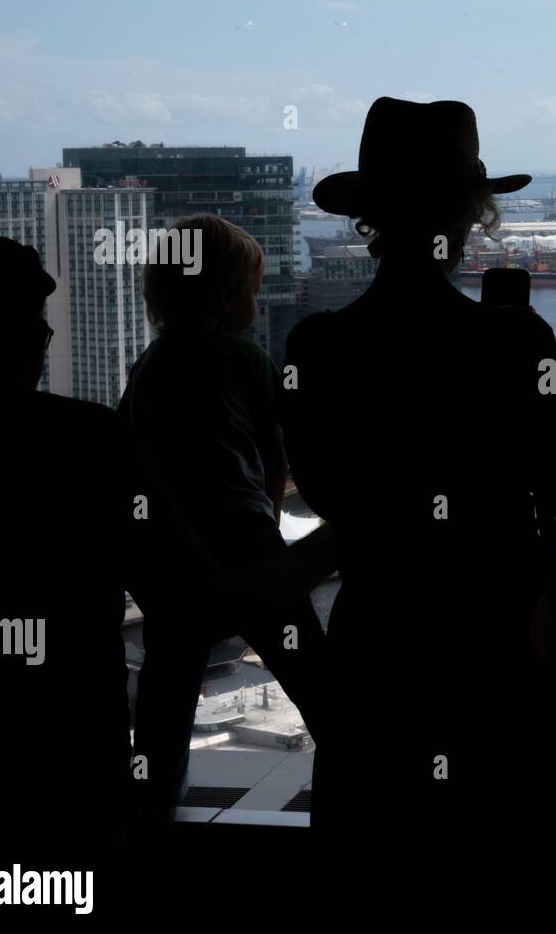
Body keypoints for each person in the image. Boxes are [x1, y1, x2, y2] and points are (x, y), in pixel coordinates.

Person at [0, 236, 336, 914]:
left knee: (167, 682)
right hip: (66, 770)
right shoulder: (81, 443)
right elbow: (198, 586)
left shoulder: (140, 378)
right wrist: (337, 540)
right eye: (32, 320)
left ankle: (155, 807)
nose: (45, 334)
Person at [281, 97, 556, 846]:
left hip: (378, 660)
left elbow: (327, 495)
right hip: (504, 662)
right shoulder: (515, 337)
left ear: (370, 220)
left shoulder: (318, 347)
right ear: (469, 217)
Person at [118, 214, 329, 821]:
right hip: (249, 544)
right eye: (254, 291)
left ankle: (152, 809)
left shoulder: (149, 366)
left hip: (175, 558)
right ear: (227, 297)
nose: (258, 305)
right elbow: (276, 454)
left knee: (167, 689)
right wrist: (265, 515)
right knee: (315, 679)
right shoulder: (246, 360)